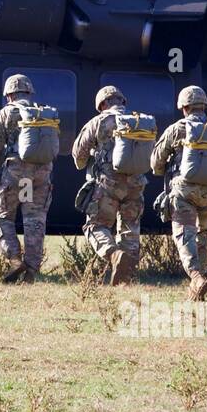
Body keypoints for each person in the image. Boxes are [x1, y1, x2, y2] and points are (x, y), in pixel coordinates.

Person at [150, 85, 207, 301]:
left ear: (184, 107)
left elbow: (155, 162)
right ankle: (197, 290)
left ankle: (196, 276)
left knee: (183, 235)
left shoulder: (177, 129)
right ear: (204, 105)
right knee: (203, 236)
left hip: (184, 192)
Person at [0, 73, 54, 284]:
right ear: (29, 92)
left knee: (2, 218)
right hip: (40, 175)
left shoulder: (7, 113)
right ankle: (30, 269)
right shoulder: (43, 113)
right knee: (34, 219)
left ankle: (14, 259)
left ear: (9, 95)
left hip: (17, 173)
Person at [72, 85, 146, 284]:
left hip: (109, 184)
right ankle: (126, 277)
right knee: (130, 228)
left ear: (103, 104)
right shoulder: (140, 120)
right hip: (136, 184)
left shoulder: (98, 122)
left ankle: (113, 254)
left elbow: (79, 157)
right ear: (122, 101)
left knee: (94, 225)